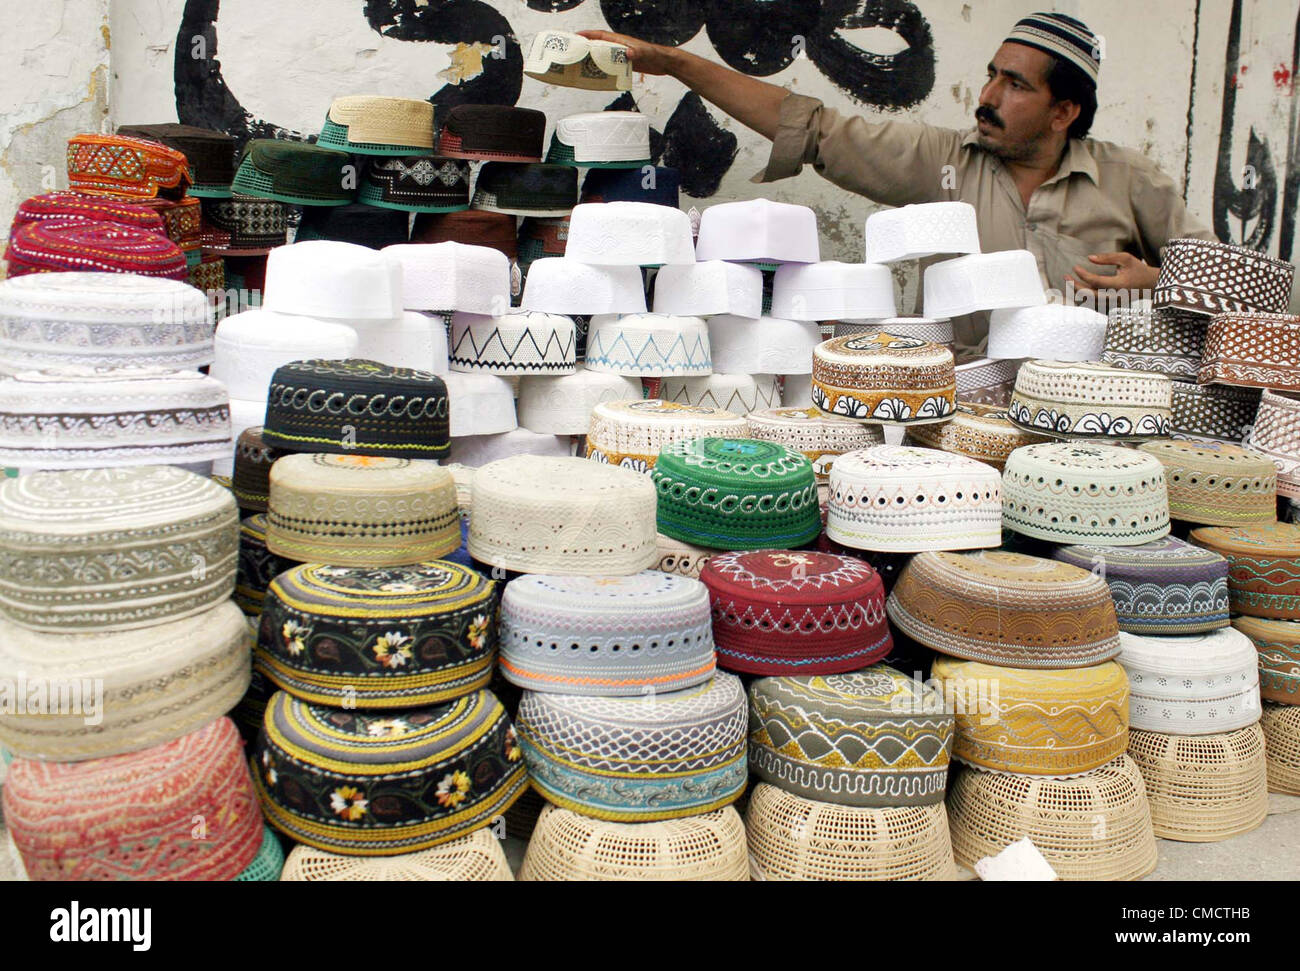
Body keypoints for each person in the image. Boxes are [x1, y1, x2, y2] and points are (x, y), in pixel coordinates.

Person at [580, 12, 1216, 355]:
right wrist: (675, 63)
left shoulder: (1128, 179)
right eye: (992, 74)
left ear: (1064, 112)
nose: (988, 96)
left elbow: (1230, 285)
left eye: (1016, 85)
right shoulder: (945, 160)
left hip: (1094, 417)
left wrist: (1157, 282)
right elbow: (814, 129)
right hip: (967, 411)